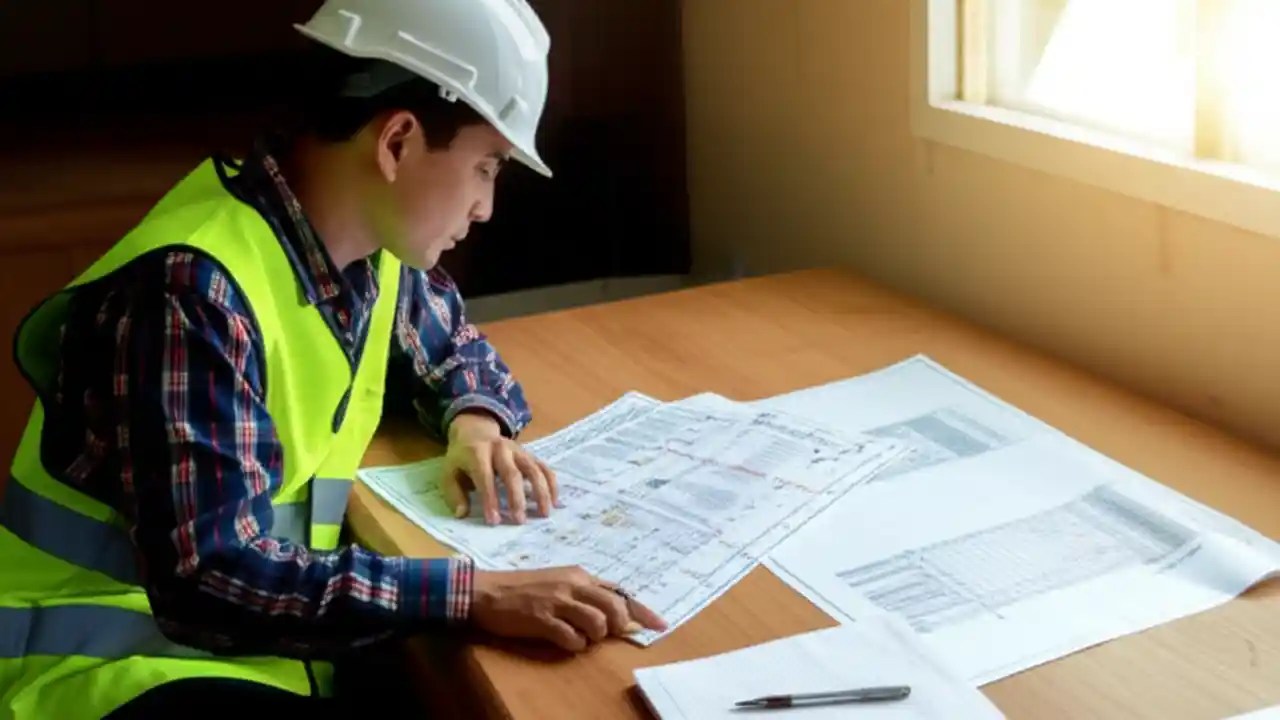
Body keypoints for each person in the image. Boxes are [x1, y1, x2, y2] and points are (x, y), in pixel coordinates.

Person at [0, 1, 666, 717]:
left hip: (275, 656)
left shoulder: (366, 255)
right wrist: (475, 593)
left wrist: (475, 423)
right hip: (115, 670)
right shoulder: (190, 294)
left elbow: (453, 344)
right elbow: (210, 578)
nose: (485, 207)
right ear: (398, 142)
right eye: (486, 167)